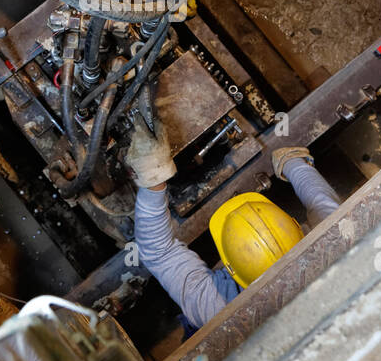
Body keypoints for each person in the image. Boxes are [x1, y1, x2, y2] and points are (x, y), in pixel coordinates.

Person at [124, 116, 342, 331]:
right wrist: (292, 162)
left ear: (230, 268)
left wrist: (153, 178)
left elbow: (159, 252)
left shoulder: (218, 308)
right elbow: (321, 201)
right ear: (296, 227)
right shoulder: (334, 242)